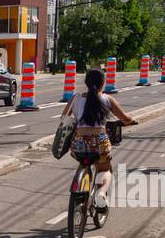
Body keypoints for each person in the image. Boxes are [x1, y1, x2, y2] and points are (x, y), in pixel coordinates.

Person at [59, 68, 137, 210]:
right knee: (105, 170)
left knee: (83, 162)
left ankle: (80, 190)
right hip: (99, 142)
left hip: (79, 143)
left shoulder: (75, 98)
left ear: (86, 83)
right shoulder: (107, 99)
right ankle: (101, 193)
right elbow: (125, 118)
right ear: (103, 83)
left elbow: (64, 119)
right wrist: (131, 121)